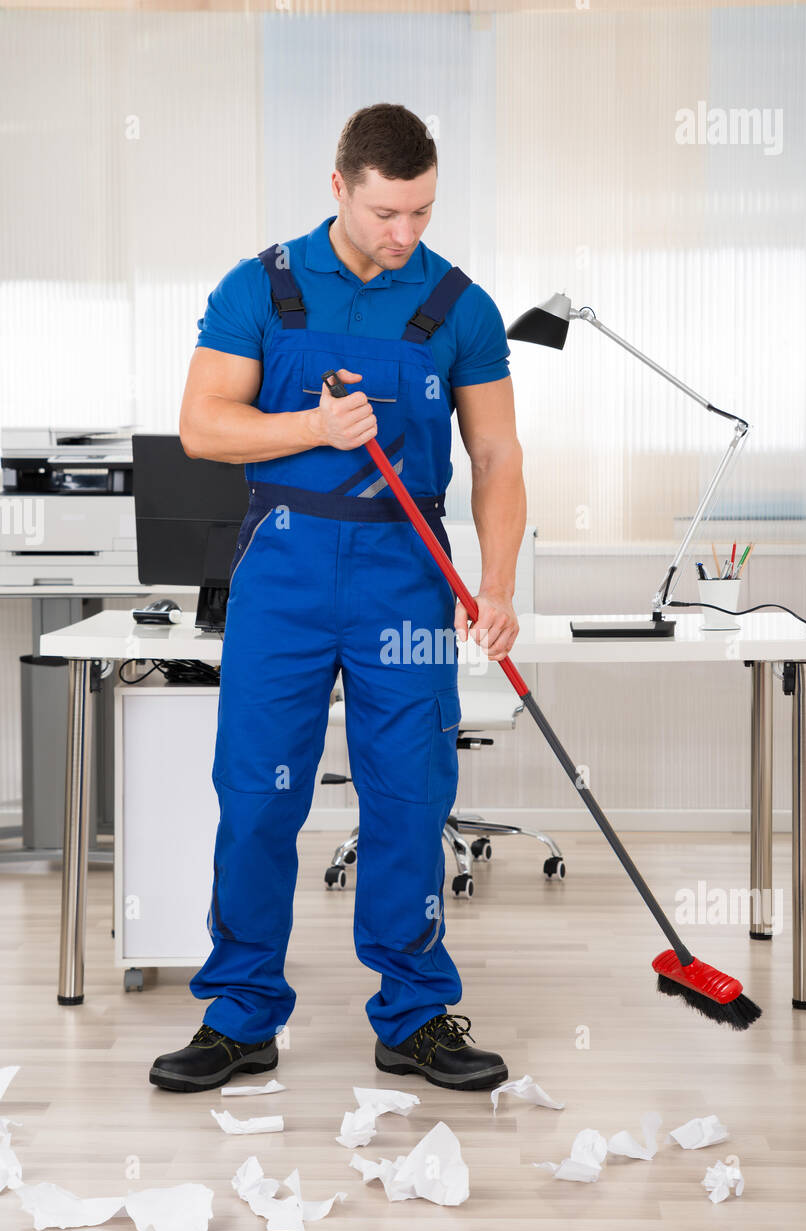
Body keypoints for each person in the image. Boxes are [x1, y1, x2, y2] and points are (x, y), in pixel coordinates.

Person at [150, 103, 526, 1095]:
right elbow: (203, 427)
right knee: (257, 789)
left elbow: (495, 454)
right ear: (339, 188)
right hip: (284, 568)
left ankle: (413, 1014)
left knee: (409, 793)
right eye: (385, 212)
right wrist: (313, 425)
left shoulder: (460, 306)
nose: (404, 233)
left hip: (406, 574)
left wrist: (496, 582)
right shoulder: (262, 287)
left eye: (421, 210)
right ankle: (240, 1013)